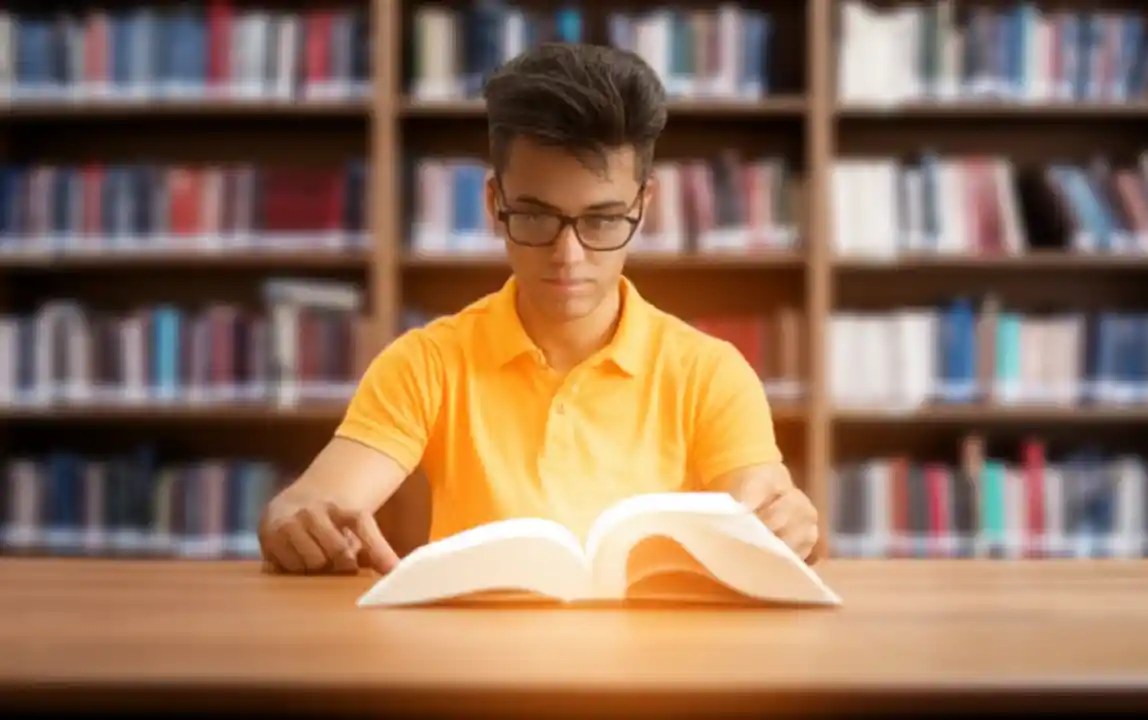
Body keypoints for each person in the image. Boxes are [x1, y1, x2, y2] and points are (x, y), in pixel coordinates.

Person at [257, 43, 819, 575]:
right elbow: (317, 501)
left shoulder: (710, 373)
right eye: (535, 216)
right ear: (494, 203)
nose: (567, 255)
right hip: (473, 665)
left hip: (656, 667)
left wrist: (785, 522)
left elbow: (765, 499)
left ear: (643, 207)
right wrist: (296, 520)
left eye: (600, 220)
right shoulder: (427, 362)